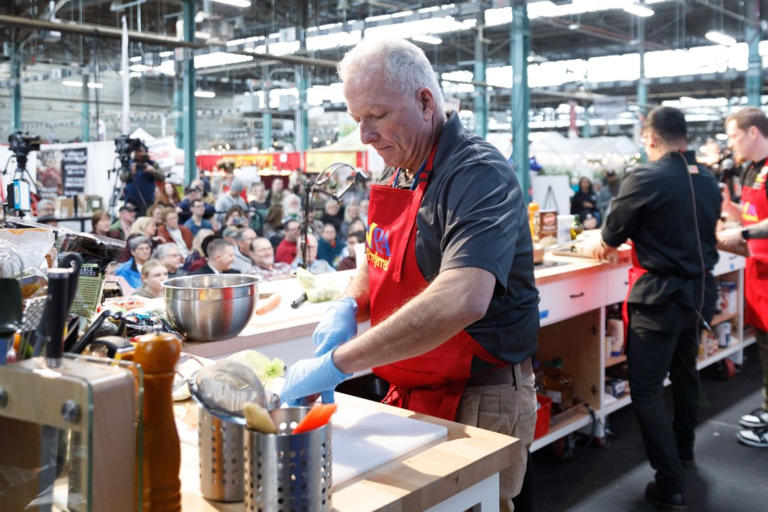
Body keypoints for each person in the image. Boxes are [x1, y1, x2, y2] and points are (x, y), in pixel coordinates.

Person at [279, 38, 539, 511]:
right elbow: (377, 254)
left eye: (377, 115)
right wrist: (349, 303)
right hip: (410, 393)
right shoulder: (397, 167)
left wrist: (339, 361)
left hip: (477, 397)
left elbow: (462, 296)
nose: (365, 135)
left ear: (425, 102)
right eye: (357, 118)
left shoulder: (477, 173)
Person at [591, 106, 720, 509]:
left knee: (646, 390)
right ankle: (684, 453)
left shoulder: (646, 177)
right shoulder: (708, 180)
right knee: (685, 374)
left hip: (658, 299)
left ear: (650, 138)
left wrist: (604, 242)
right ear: (685, 136)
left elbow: (610, 236)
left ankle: (670, 481)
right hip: (699, 295)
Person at [716, 106, 768, 448]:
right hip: (758, 271)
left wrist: (743, 234)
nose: (731, 143)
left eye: (734, 136)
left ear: (753, 132)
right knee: (764, 346)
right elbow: (752, 214)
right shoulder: (752, 169)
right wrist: (729, 209)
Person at [123, 142, 164, 216]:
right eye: (136, 151)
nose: (139, 154)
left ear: (146, 152)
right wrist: (131, 172)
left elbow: (162, 177)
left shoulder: (152, 164)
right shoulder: (129, 164)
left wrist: (153, 171)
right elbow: (122, 177)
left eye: (141, 151)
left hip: (147, 201)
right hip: (131, 201)